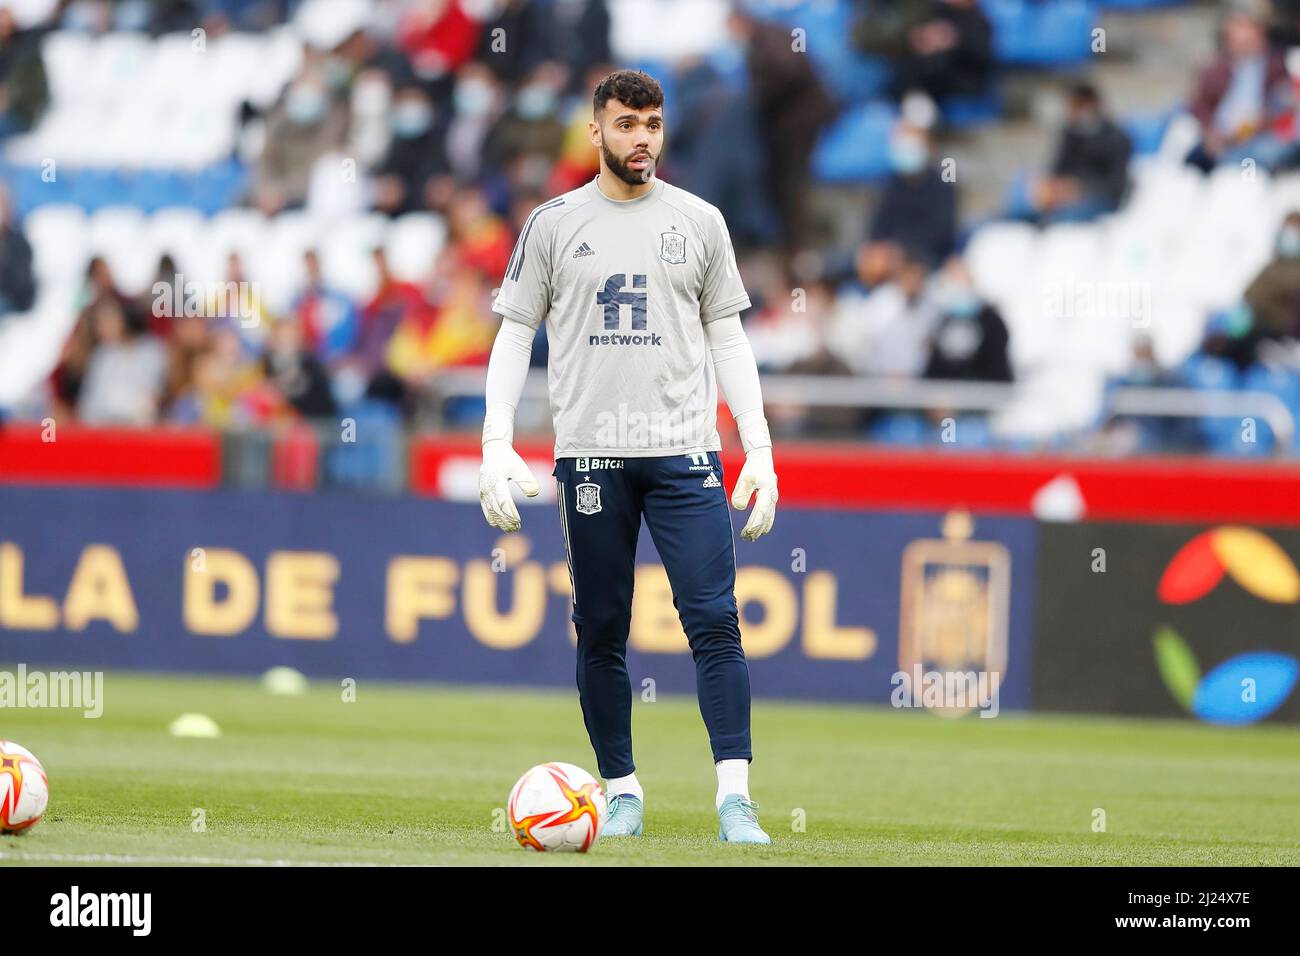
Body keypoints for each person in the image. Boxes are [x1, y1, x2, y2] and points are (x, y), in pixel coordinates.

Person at [477, 69, 777, 844]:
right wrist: (495, 441)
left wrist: (761, 450)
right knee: (602, 626)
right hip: (591, 456)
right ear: (596, 132)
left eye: (652, 124)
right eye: (626, 125)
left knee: (713, 619)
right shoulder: (551, 224)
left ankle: (735, 799)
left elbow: (728, 337)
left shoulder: (701, 221)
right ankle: (622, 790)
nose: (641, 138)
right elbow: (515, 332)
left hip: (685, 453)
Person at [1034, 82, 1132, 223]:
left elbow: (1115, 185)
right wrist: (1050, 187)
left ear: (1092, 103)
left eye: (1077, 105)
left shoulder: (1117, 138)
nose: (1072, 111)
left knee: (1063, 220)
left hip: (1099, 200)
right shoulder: (1070, 134)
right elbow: (1056, 170)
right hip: (1063, 201)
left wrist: (1080, 189)